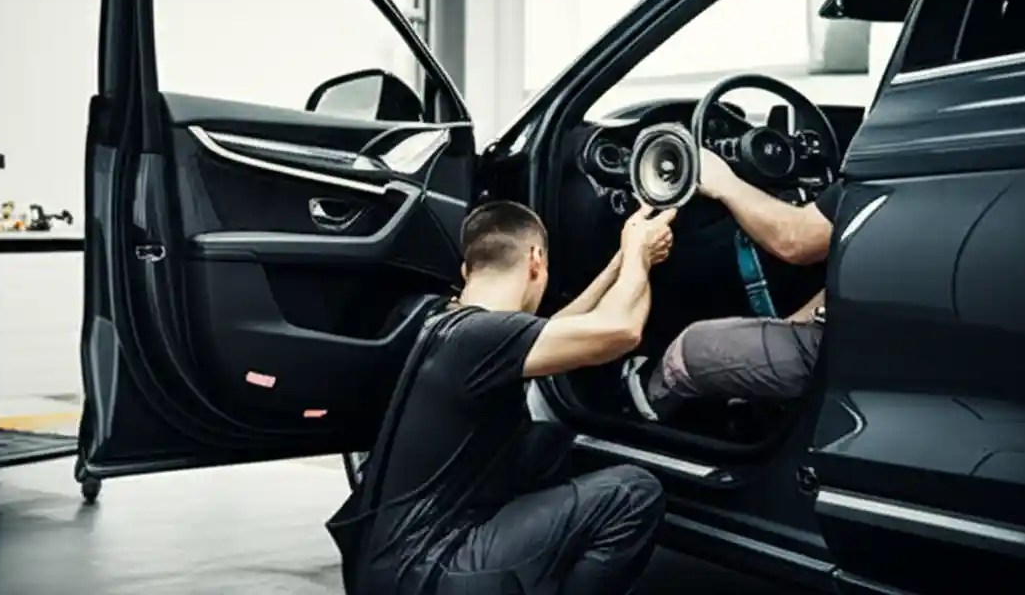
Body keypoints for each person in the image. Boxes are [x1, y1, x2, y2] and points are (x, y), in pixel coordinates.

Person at [327, 200, 678, 595]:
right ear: (536, 260)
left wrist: (618, 264)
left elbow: (556, 330)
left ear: (467, 270)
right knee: (632, 494)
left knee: (546, 443)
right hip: (430, 570)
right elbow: (621, 331)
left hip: (384, 566)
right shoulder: (481, 337)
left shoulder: (441, 319)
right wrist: (638, 257)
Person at [632, 148, 841, 422]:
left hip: (839, 354)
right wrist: (791, 324)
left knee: (692, 349)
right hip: (865, 342)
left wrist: (723, 182)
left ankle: (641, 408)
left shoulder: (882, 176)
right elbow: (846, 281)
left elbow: (795, 239)